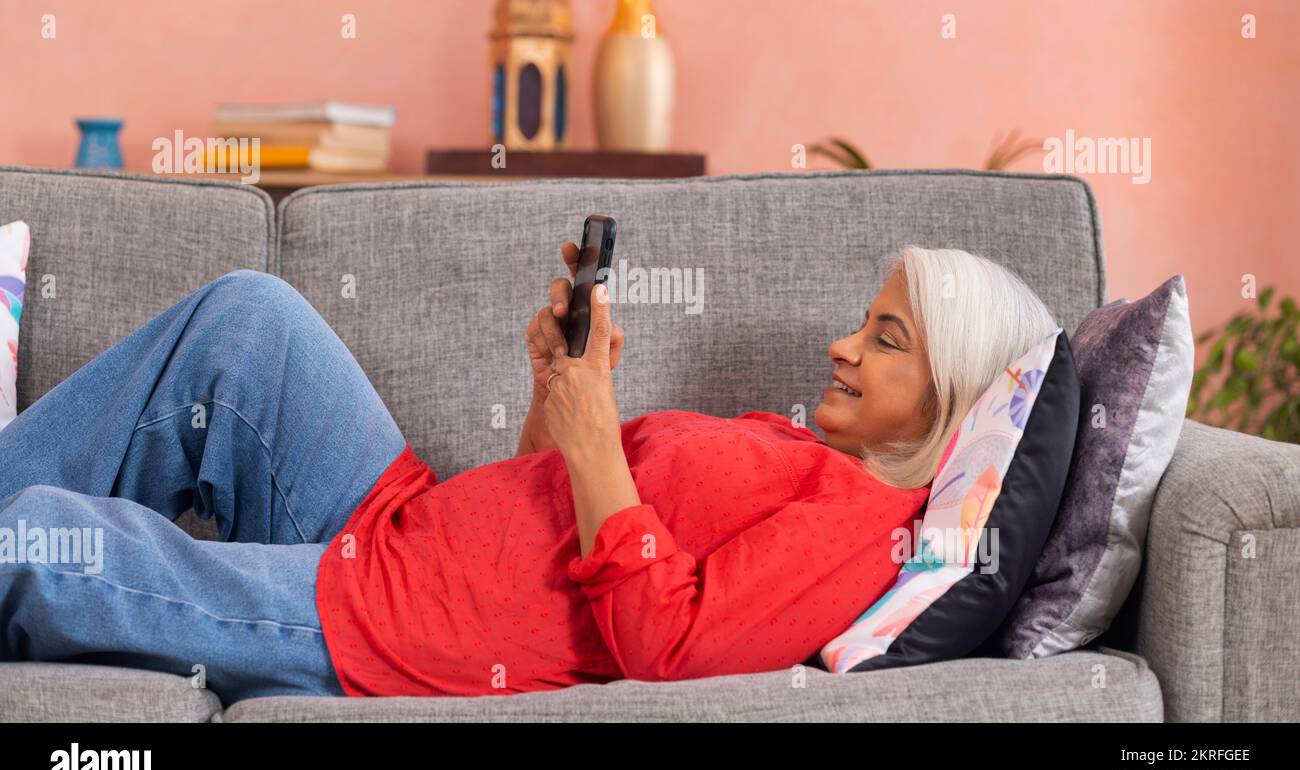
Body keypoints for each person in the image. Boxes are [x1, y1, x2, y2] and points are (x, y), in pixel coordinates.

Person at [0, 244, 1056, 704]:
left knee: (49, 543)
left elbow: (670, 648)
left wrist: (598, 435)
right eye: (862, 324)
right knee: (250, 320)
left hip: (408, 624)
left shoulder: (861, 524)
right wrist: (562, 382)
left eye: (885, 340)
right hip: (410, 526)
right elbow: (541, 516)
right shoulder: (789, 449)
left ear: (951, 394)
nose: (841, 347)